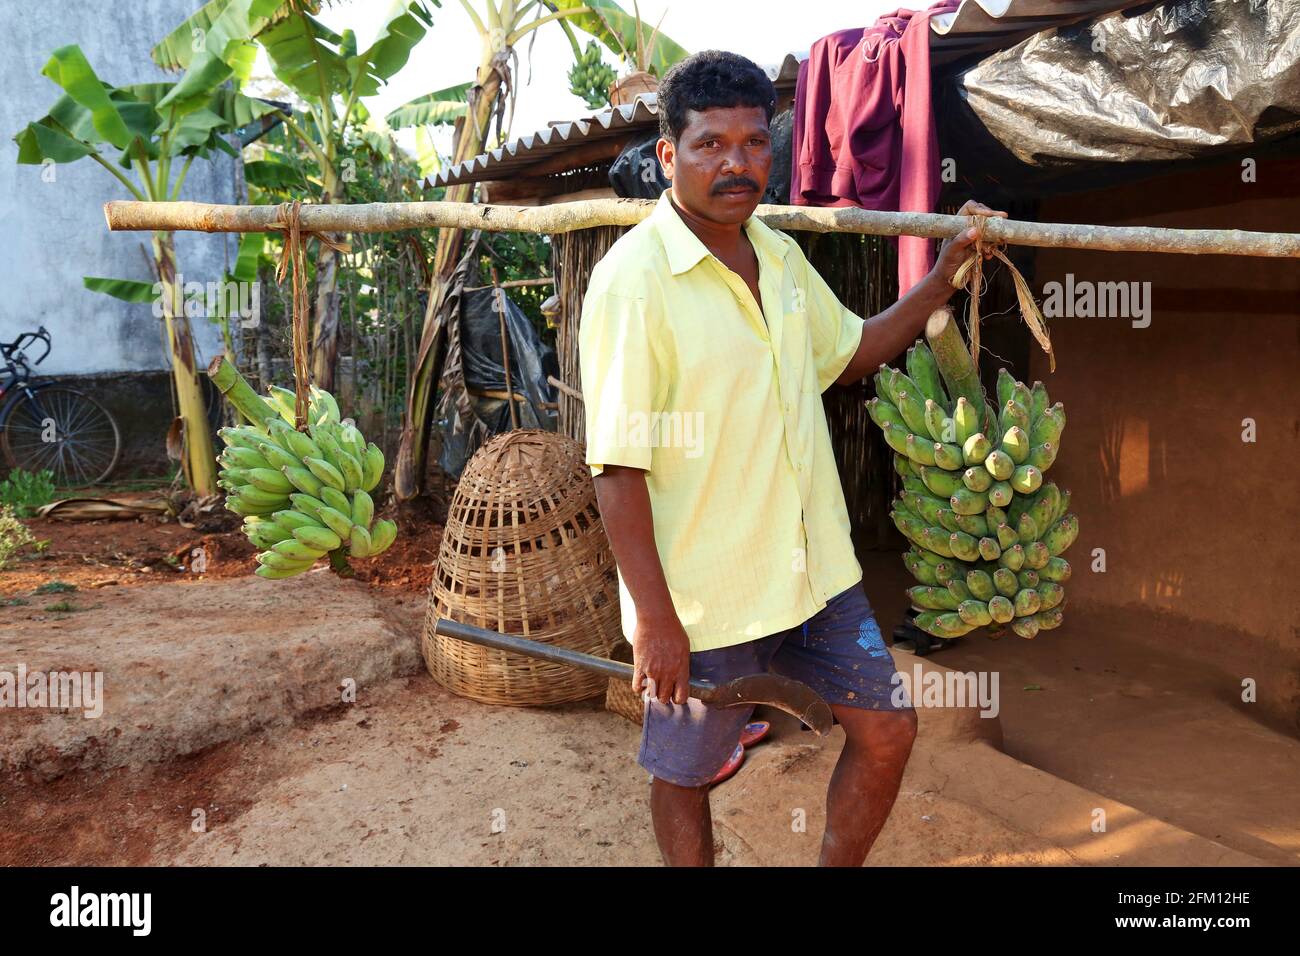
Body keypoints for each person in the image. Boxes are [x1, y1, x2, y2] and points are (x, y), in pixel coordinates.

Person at [578, 49, 1006, 867]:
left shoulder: (779, 258)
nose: (735, 164)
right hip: (707, 599)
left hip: (814, 578)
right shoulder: (634, 284)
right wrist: (657, 622)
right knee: (688, 775)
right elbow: (617, 470)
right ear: (668, 155)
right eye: (709, 145)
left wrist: (944, 276)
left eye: (752, 143)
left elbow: (851, 353)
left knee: (888, 731)